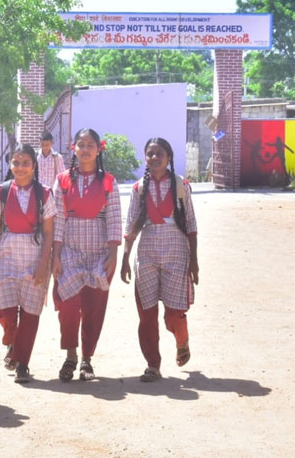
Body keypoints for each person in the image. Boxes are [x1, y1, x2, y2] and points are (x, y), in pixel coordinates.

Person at [120, 138, 198, 382]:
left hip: (176, 252)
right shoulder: (138, 188)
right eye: (150, 154)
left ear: (169, 157)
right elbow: (131, 225)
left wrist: (194, 261)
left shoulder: (181, 185)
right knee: (147, 312)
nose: (154, 158)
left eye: (159, 154)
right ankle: (153, 365)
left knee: (173, 313)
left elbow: (192, 225)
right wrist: (125, 258)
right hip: (148, 254)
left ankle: (181, 337)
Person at [51, 128, 122, 382]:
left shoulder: (108, 182)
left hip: (100, 250)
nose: (85, 149)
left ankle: (86, 360)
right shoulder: (62, 180)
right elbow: (57, 218)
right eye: (80, 145)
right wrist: (55, 255)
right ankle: (70, 354)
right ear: (74, 149)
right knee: (68, 306)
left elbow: (114, 219)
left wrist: (113, 253)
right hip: (69, 249)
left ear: (98, 148)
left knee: (94, 307)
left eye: (90, 145)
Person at [0, 144, 55, 383]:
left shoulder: (45, 194)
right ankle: (12, 341)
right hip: (7, 254)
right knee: (5, 309)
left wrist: (43, 264)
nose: (20, 167)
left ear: (34, 166)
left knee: (30, 313)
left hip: (35, 255)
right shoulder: (1, 192)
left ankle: (22, 363)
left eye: (25, 163)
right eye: (16, 162)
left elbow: (49, 233)